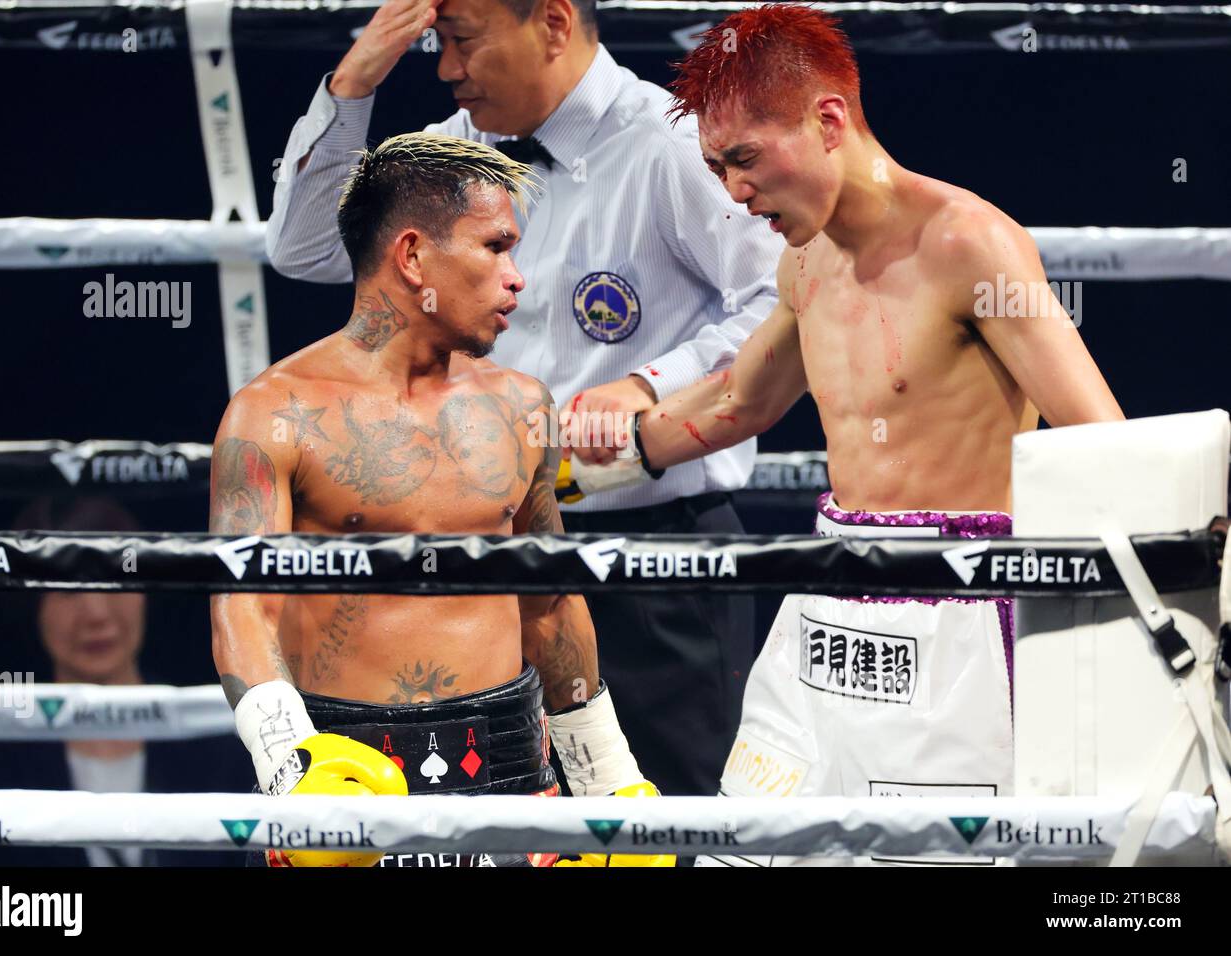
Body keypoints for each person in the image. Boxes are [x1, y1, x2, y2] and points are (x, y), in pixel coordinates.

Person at [570, 5, 1125, 865]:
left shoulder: (970, 243)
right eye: (718, 168)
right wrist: (562, 476)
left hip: (956, 608)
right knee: (748, 846)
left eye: (746, 159)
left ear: (828, 120)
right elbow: (734, 405)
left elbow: (1099, 439)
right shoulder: (805, 261)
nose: (734, 192)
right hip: (828, 593)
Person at [265, 0, 787, 797]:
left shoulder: (670, 143)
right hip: (494, 555)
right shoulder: (445, 159)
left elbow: (781, 298)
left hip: (648, 559)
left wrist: (650, 383)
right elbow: (301, 249)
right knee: (508, 829)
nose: (445, 67)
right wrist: (356, 78)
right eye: (436, 43)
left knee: (666, 826)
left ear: (550, 23)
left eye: (462, 40)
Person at [215, 132, 666, 868]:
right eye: (495, 247)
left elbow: (548, 603)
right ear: (414, 257)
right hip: (345, 772)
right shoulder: (275, 413)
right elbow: (242, 610)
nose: (517, 278)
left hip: (514, 771)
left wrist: (608, 775)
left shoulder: (522, 406)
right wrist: (290, 766)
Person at [0, 496, 251, 867]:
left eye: (112, 582)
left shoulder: (217, 739)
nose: (95, 613)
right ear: (31, 607)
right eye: (66, 589)